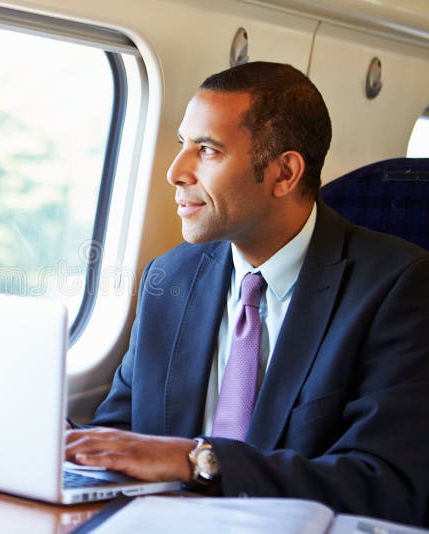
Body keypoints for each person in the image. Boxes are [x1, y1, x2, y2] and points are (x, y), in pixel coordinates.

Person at [65, 61, 429, 526]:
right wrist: (63, 443)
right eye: (183, 145)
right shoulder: (169, 279)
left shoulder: (398, 287)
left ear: (284, 173)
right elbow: (121, 433)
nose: (177, 171)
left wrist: (196, 461)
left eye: (208, 150)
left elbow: (386, 484)